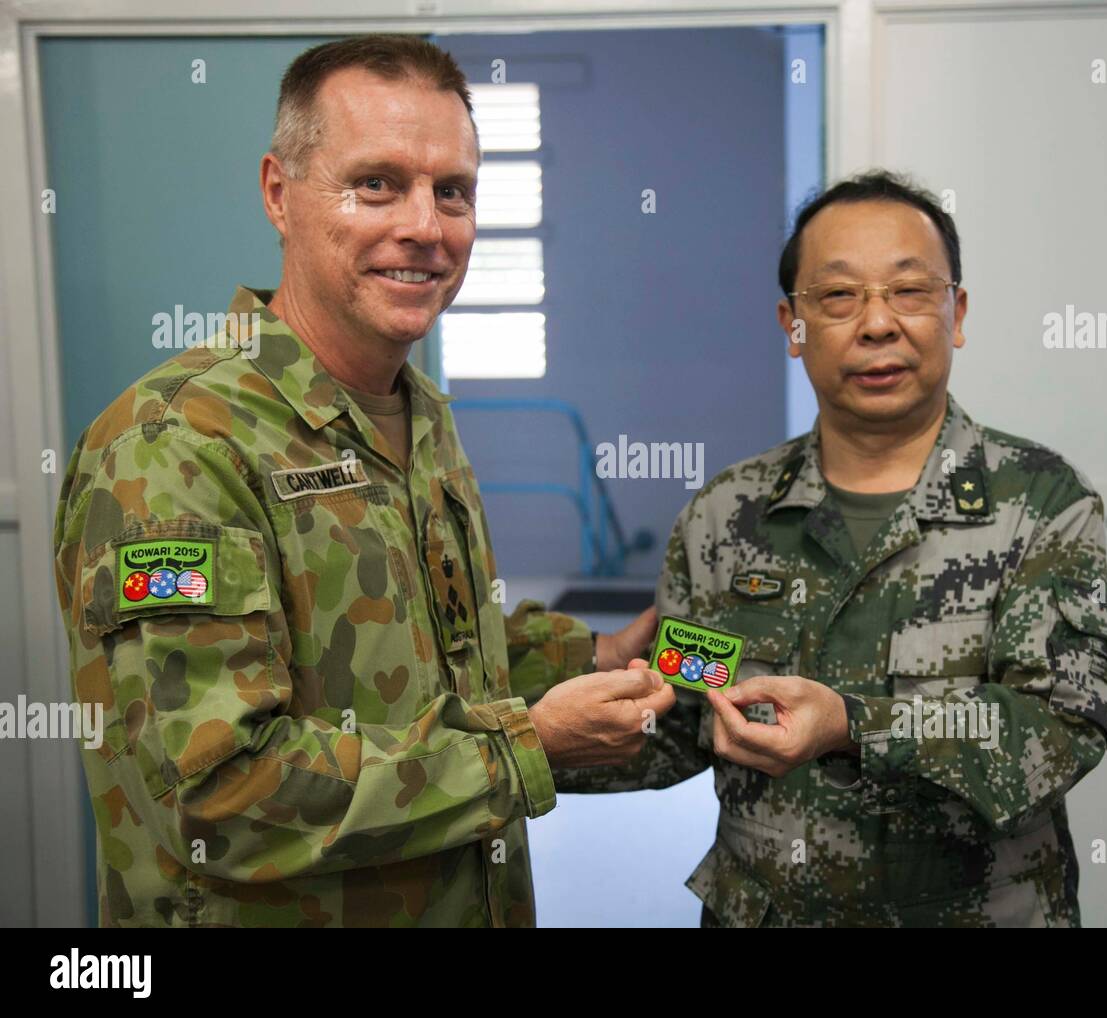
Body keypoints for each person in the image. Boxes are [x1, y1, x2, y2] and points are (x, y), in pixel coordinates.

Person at [51, 34, 670, 928]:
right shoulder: (174, 447)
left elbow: (423, 649)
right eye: (376, 183)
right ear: (279, 193)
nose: (425, 225)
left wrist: (594, 658)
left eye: (452, 190)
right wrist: (525, 748)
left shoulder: (420, 415)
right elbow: (221, 796)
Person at [557, 171, 1107, 927]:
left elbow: (1058, 730)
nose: (877, 324)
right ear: (793, 326)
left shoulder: (1042, 503)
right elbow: (689, 714)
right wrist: (526, 747)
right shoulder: (728, 513)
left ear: (955, 314)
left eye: (909, 292)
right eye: (838, 297)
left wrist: (852, 724)